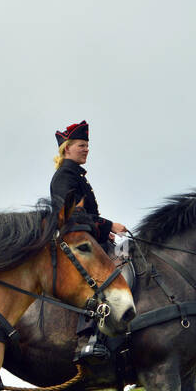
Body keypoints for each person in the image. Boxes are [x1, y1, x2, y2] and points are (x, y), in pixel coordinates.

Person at [48, 121, 127, 363]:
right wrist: (107, 226)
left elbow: (87, 217)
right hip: (73, 244)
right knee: (99, 277)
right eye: (82, 145)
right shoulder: (64, 177)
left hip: (89, 238)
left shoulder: (77, 175)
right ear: (67, 149)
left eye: (87, 145)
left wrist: (105, 234)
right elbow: (73, 217)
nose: (86, 149)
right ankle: (89, 339)